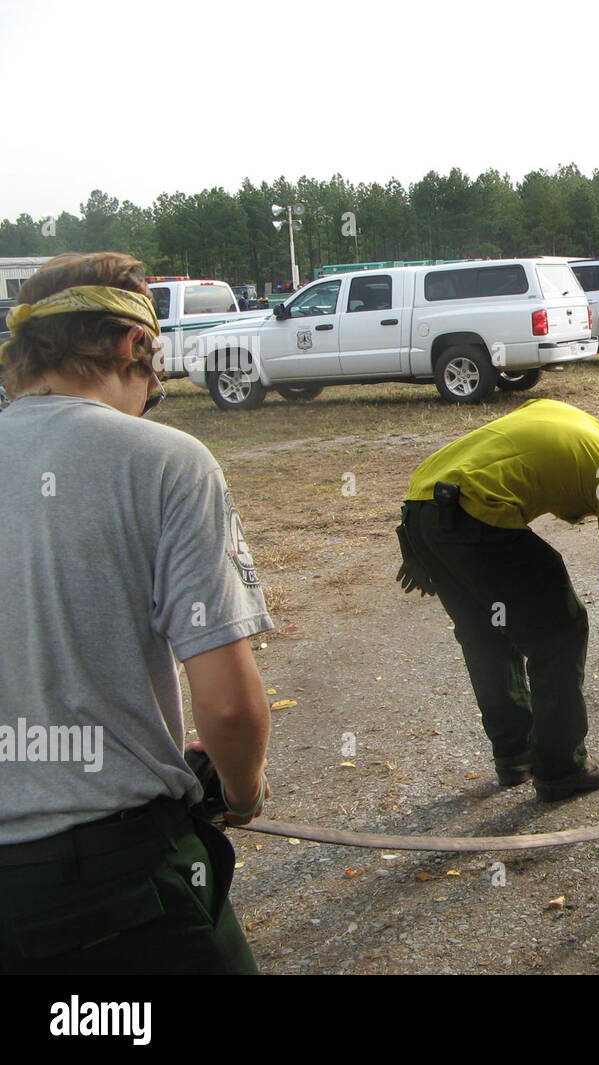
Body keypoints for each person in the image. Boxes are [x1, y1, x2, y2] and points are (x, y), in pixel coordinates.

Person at [0, 252, 273, 973]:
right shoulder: (165, 463)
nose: (151, 396)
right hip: (120, 887)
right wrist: (241, 790)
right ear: (130, 345)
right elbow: (230, 707)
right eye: (153, 380)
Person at [397, 399, 599, 801]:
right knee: (562, 628)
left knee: (488, 629)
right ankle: (561, 767)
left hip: (421, 509)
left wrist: (425, 542)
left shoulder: (564, 413)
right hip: (474, 514)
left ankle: (516, 752)